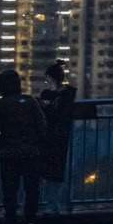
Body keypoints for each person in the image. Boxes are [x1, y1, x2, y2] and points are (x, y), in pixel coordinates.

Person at [0, 69, 47, 224]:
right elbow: (42, 125)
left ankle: (11, 222)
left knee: (10, 190)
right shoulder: (30, 101)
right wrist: (38, 144)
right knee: (31, 188)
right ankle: (30, 220)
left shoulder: (0, 104)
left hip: (9, 153)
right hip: (31, 152)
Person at [37, 63, 76, 214]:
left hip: (50, 136)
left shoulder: (49, 95)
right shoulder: (68, 93)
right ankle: (57, 204)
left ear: (49, 78)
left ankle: (49, 204)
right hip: (62, 135)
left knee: (48, 170)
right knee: (58, 170)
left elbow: (50, 113)